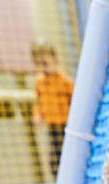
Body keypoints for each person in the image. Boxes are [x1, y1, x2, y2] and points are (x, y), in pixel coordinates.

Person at [32, 43, 73, 176]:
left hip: (66, 122)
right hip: (52, 123)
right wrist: (38, 115)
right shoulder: (40, 82)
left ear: (54, 60)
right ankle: (58, 178)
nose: (42, 67)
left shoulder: (65, 81)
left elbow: (74, 100)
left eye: (45, 63)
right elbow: (38, 102)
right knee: (55, 154)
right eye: (39, 64)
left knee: (67, 150)